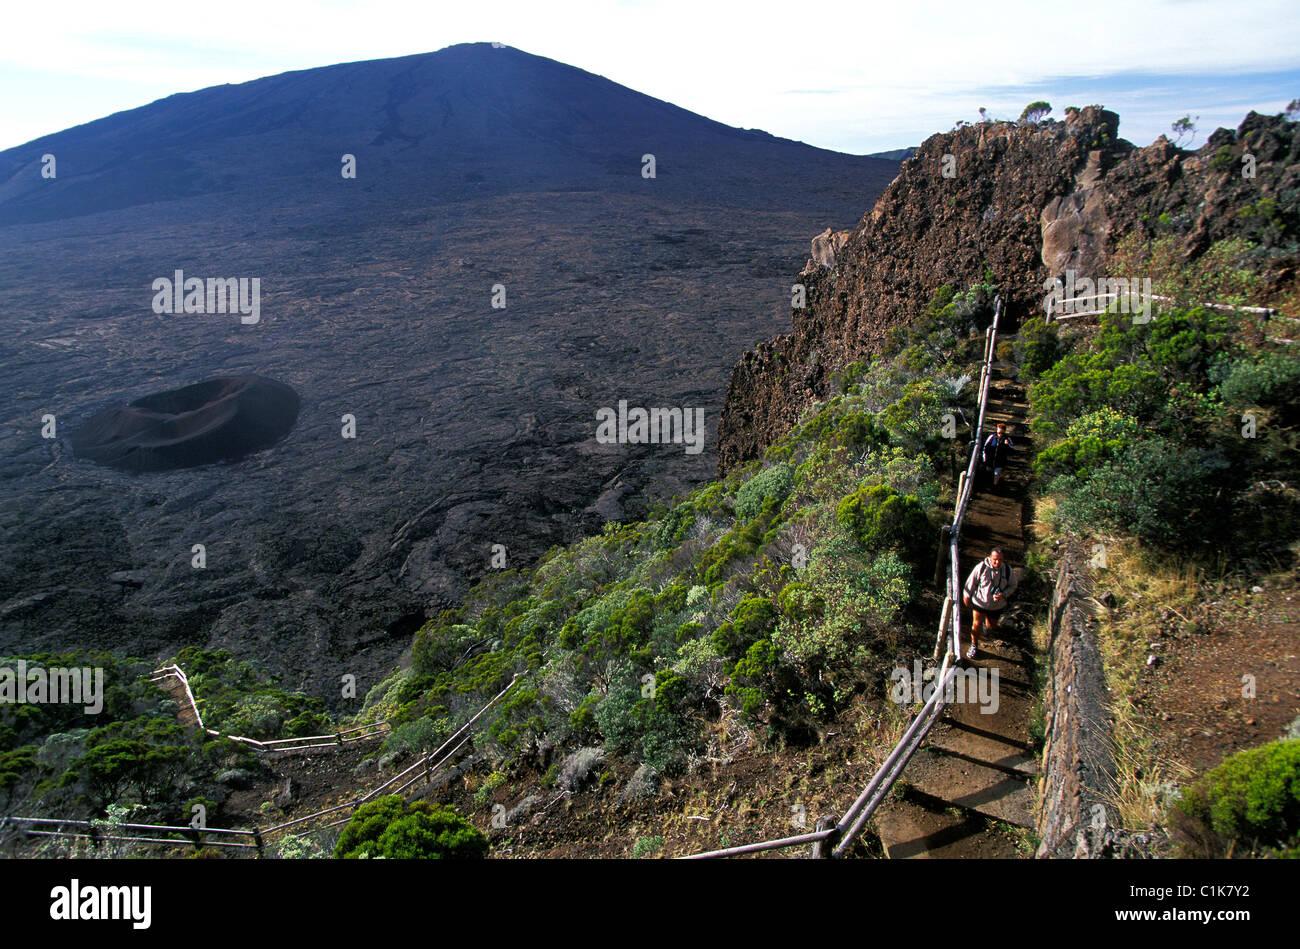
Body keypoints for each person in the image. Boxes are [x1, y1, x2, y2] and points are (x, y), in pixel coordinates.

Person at [961, 548, 1017, 659]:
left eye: (1000, 559)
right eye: (995, 559)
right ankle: (974, 645)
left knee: (991, 626)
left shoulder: (1007, 570)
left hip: (997, 605)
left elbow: (1013, 585)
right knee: (976, 624)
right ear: (990, 558)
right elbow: (971, 582)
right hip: (980, 602)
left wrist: (1004, 594)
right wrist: (966, 596)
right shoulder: (981, 568)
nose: (997, 562)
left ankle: (986, 627)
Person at [981, 422, 1014, 490]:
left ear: (1004, 431)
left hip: (1000, 460)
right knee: (988, 472)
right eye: (999, 432)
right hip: (990, 459)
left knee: (997, 474)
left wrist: (1007, 445)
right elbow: (985, 448)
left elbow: (1012, 450)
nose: (1000, 434)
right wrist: (984, 458)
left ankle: (994, 487)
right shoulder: (992, 437)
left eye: (1001, 433)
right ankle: (988, 485)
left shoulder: (1007, 439)